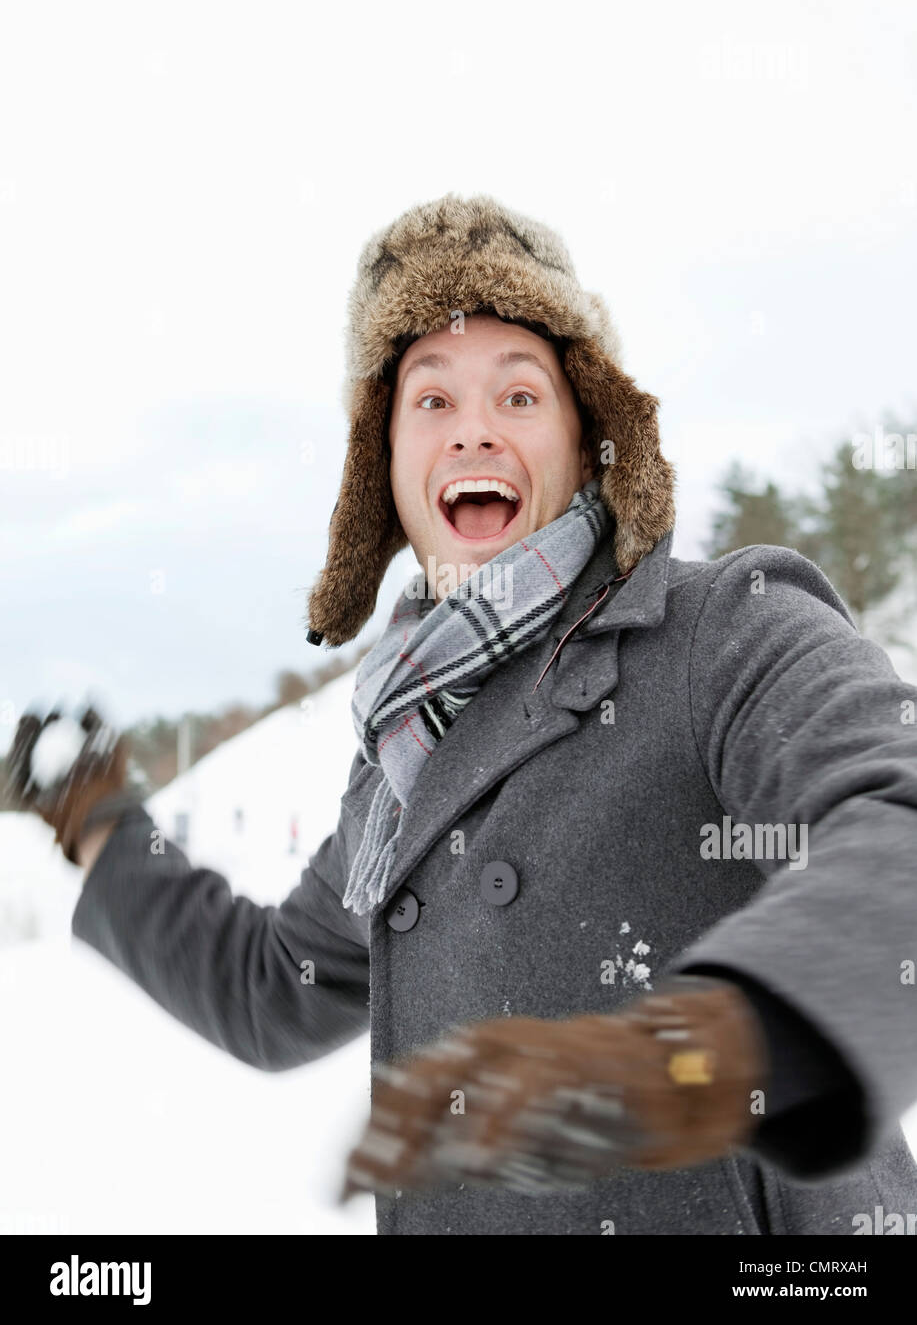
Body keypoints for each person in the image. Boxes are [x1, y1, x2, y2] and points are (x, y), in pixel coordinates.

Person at [8, 193, 917, 1236]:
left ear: (587, 439)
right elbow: (274, 988)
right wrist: (103, 827)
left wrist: (722, 1051)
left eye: (519, 394)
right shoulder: (401, 758)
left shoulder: (723, 629)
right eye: (430, 398)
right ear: (384, 469)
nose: (472, 428)